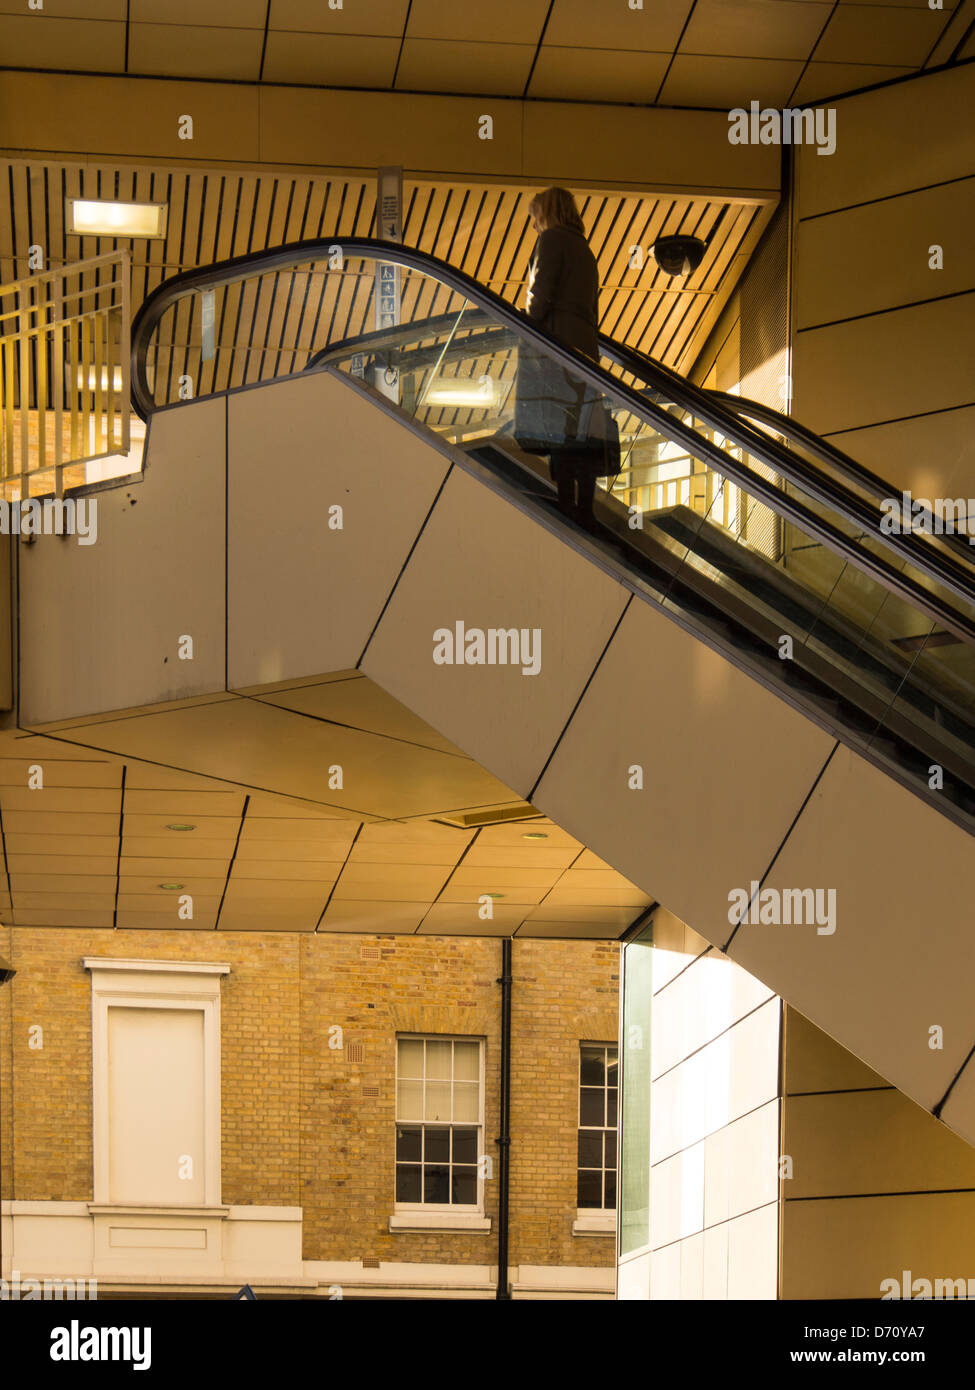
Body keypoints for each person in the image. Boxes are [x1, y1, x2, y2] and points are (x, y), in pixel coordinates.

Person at [513, 187, 605, 528]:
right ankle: (586, 506)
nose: (534, 225)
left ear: (547, 213)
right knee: (583, 427)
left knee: (560, 427)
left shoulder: (551, 241)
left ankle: (566, 503)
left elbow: (540, 296)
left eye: (536, 217)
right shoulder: (585, 250)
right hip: (585, 350)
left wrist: (525, 317)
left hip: (556, 348)